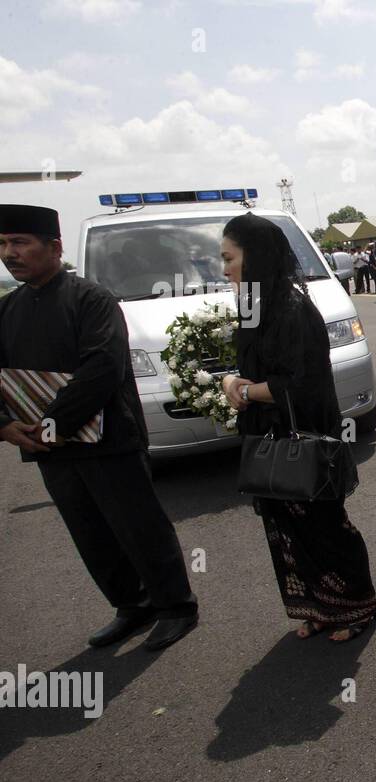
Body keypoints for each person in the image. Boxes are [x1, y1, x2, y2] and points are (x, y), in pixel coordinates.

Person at [0, 204, 199, 651]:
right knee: (89, 532)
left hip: (109, 441)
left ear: (53, 247)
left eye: (19, 243)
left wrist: (52, 424)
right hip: (48, 448)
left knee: (138, 525)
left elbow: (101, 368)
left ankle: (175, 606)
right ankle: (132, 605)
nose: (9, 253)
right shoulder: (7, 310)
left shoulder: (91, 299)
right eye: (3, 245)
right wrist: (6, 426)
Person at [219, 214, 376, 643]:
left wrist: (247, 391)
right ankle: (319, 607)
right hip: (266, 437)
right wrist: (231, 381)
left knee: (324, 526)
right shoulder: (253, 303)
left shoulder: (293, 309)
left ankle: (358, 605)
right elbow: (249, 367)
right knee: (287, 529)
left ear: (255, 258)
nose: (224, 269)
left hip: (304, 436)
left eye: (229, 258)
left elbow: (299, 384)